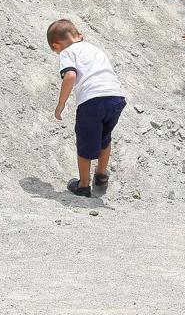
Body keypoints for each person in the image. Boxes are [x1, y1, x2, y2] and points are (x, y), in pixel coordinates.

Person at [48, 19, 127, 198]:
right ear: (80, 36)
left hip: (92, 101)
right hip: (116, 97)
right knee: (104, 138)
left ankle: (83, 185)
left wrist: (61, 104)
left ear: (57, 45)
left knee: (84, 142)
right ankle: (101, 175)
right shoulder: (95, 49)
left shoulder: (67, 52)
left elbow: (70, 76)